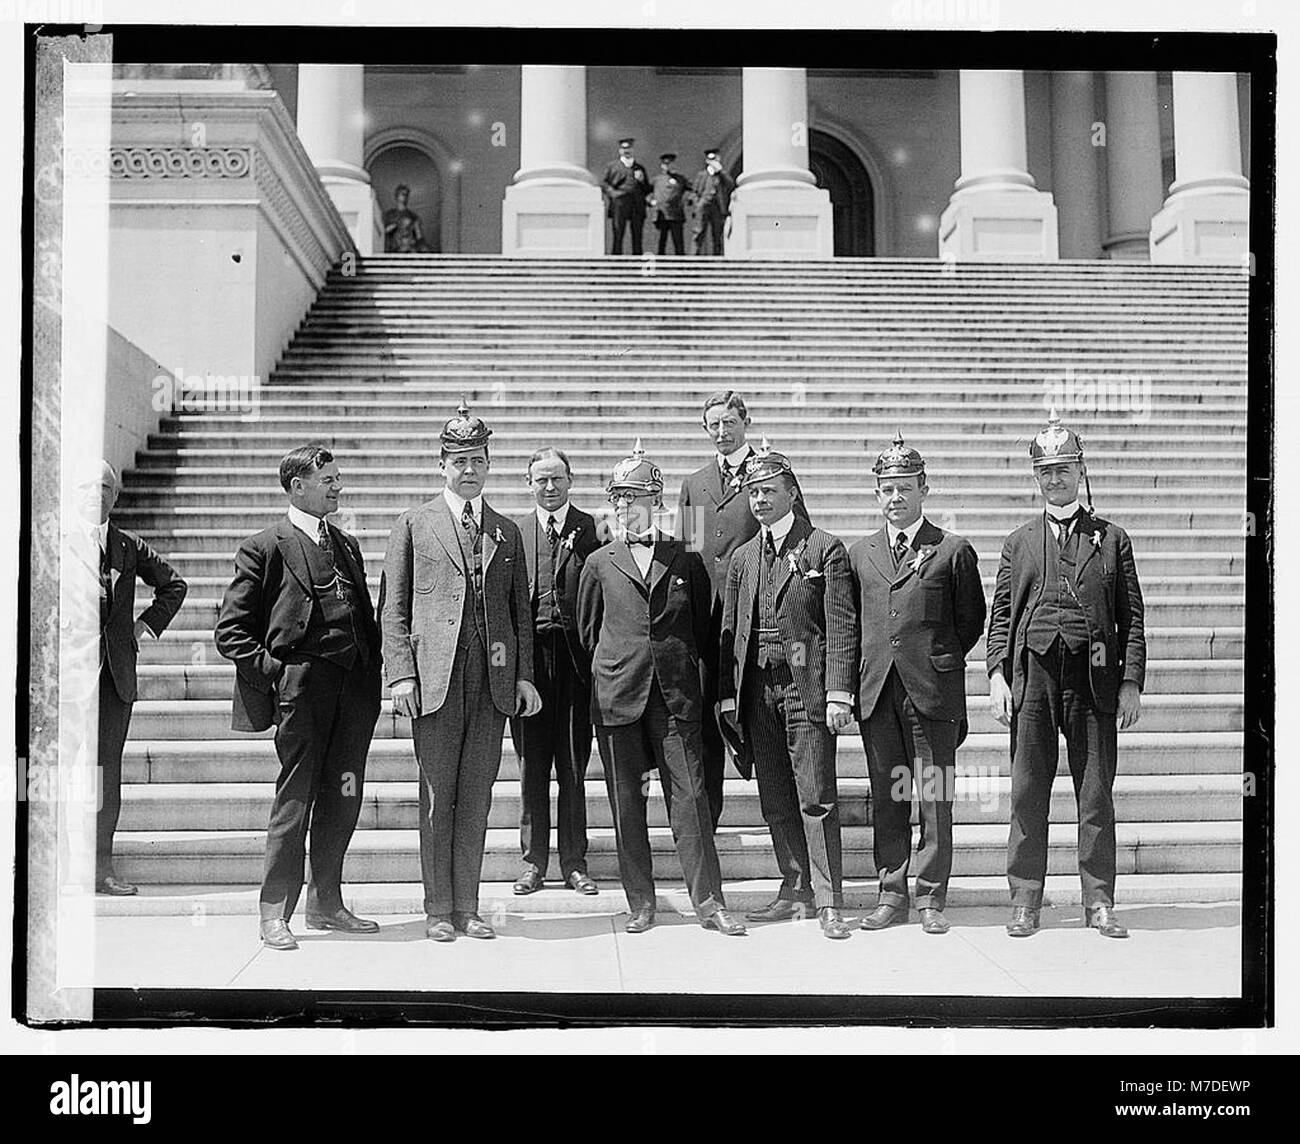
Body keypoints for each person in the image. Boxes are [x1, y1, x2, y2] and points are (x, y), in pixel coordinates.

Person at [380, 400, 541, 942]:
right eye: (459, 460)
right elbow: (394, 608)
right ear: (441, 464)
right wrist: (401, 675)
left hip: (491, 684)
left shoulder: (506, 531)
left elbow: (522, 613)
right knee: (435, 793)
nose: (468, 469)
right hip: (435, 682)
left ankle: (467, 906)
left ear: (489, 463)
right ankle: (436, 908)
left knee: (477, 793)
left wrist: (523, 676)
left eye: (477, 459)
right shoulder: (414, 523)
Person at [577, 441, 746, 937]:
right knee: (626, 804)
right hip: (617, 697)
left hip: (675, 700)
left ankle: (710, 903)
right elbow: (587, 633)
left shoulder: (684, 557)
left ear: (657, 501)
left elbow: (703, 625)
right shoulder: (599, 562)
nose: (625, 507)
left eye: (634, 497)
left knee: (691, 799)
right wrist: (617, 666)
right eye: (618, 499)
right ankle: (641, 902)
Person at [215, 445, 382, 950]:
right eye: (326, 479)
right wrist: (279, 672)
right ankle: (274, 913)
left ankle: (326, 904)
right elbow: (230, 631)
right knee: (295, 800)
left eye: (337, 477)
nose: (337, 486)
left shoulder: (347, 544)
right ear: (297, 487)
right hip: (302, 693)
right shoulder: (264, 546)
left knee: (343, 798)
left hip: (353, 693)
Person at [987, 410, 1146, 939]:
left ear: (1080, 473)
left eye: (1064, 469)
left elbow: (1133, 617)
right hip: (1033, 677)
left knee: (1095, 794)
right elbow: (1001, 615)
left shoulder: (1113, 537)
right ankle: (1025, 901)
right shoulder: (1019, 541)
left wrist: (1130, 683)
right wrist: (996, 675)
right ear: (1036, 478)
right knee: (1027, 791)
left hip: (1094, 679)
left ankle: (1099, 902)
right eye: (1046, 471)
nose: (1055, 479)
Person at [718, 445, 857, 939]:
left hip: (806, 689)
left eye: (768, 491)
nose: (759, 500)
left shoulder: (824, 549)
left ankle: (828, 900)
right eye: (752, 492)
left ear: (792, 494)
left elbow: (841, 627)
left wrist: (839, 692)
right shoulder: (741, 559)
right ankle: (793, 886)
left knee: (815, 794)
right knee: (775, 795)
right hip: (757, 689)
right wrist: (728, 696)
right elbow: (730, 633)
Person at [850, 434, 986, 935]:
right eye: (886, 488)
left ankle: (930, 897)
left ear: (924, 489)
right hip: (878, 692)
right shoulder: (859, 553)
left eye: (905, 488)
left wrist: (937, 660)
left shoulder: (951, 550)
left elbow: (972, 620)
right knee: (888, 797)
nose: (895, 498)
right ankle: (891, 894)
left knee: (933, 797)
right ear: (876, 494)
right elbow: (853, 623)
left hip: (932, 694)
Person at [677, 390, 810, 831]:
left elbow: (799, 540)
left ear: (745, 423)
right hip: (708, 625)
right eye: (713, 424)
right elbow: (689, 554)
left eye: (729, 423)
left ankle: (789, 833)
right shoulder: (695, 485)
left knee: (763, 729)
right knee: (707, 725)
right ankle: (706, 826)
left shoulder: (770, 473)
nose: (721, 432)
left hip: (756, 621)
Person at [88, 461, 188, 896]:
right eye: (90, 486)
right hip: (61, 682)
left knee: (105, 775)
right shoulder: (51, 540)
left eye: (107, 487)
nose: (98, 493)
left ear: (117, 494)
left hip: (113, 678)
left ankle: (100, 867)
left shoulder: (127, 546)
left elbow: (173, 585)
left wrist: (143, 626)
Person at [510, 447, 603, 897]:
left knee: (572, 766)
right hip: (529, 667)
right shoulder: (512, 533)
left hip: (575, 664)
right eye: (541, 480)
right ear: (529, 484)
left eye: (557, 480)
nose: (550, 488)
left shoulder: (595, 530)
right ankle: (533, 862)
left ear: (571, 481)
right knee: (531, 769)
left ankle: (574, 861)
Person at [601, 137, 650, 255]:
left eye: (629, 148)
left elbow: (647, 189)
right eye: (624, 148)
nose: (626, 150)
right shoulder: (613, 166)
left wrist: (642, 181)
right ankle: (616, 260)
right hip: (620, 203)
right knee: (618, 232)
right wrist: (613, 194)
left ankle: (637, 260)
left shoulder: (639, 168)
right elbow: (604, 183)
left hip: (637, 203)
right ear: (620, 151)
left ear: (633, 150)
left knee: (637, 234)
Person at [690, 148, 734, 255]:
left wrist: (721, 172)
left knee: (717, 234)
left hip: (717, 207)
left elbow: (730, 185)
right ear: (707, 161)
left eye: (716, 159)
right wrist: (698, 204)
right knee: (698, 233)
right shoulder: (702, 175)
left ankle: (717, 259)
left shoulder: (722, 175)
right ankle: (693, 260)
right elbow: (694, 192)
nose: (714, 161)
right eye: (711, 159)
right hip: (703, 206)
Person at [648, 152, 689, 255]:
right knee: (660, 242)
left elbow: (693, 190)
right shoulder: (656, 179)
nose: (667, 166)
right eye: (665, 164)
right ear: (662, 165)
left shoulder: (681, 179)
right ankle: (659, 266)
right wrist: (651, 201)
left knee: (678, 243)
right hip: (661, 214)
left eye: (670, 164)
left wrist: (686, 199)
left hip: (676, 214)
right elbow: (646, 192)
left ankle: (681, 267)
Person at [383, 184, 426, 253]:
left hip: (409, 249)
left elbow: (419, 236)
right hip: (395, 250)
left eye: (406, 194)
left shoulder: (413, 216)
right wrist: (396, 224)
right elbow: (383, 232)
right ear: (397, 195)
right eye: (402, 194)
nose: (405, 196)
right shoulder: (389, 215)